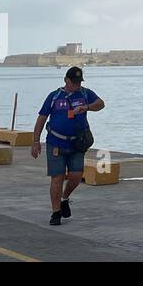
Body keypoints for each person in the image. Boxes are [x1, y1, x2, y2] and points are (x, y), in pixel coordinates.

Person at [30, 67, 104, 226]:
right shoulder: (54, 96)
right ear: (66, 80)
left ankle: (65, 198)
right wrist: (35, 142)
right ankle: (56, 212)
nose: (77, 85)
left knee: (76, 177)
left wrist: (87, 107)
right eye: (74, 82)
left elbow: (100, 103)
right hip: (56, 142)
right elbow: (41, 119)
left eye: (79, 82)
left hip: (77, 143)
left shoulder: (85, 94)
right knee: (57, 177)